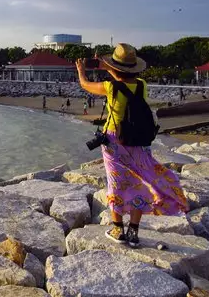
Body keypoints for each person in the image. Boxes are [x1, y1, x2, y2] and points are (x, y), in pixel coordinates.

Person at [75, 43, 188, 248]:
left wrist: (82, 71)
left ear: (114, 68)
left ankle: (118, 229)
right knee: (140, 180)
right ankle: (133, 232)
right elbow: (123, 79)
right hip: (138, 139)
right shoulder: (142, 85)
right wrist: (107, 66)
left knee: (117, 182)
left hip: (114, 140)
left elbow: (85, 84)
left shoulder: (110, 87)